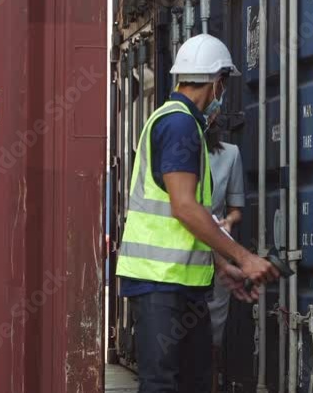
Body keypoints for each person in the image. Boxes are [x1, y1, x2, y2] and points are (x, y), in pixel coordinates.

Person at [115, 33, 279, 393]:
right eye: (224, 84)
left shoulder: (182, 122)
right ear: (217, 81)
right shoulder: (179, 125)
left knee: (195, 381)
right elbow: (185, 208)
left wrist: (220, 266)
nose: (223, 93)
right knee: (163, 385)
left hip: (181, 284)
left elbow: (184, 216)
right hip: (161, 283)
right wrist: (244, 257)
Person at [203, 118, 245, 385]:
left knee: (212, 338)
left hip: (216, 252)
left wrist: (228, 222)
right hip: (183, 255)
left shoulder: (230, 154)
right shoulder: (179, 148)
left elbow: (236, 208)